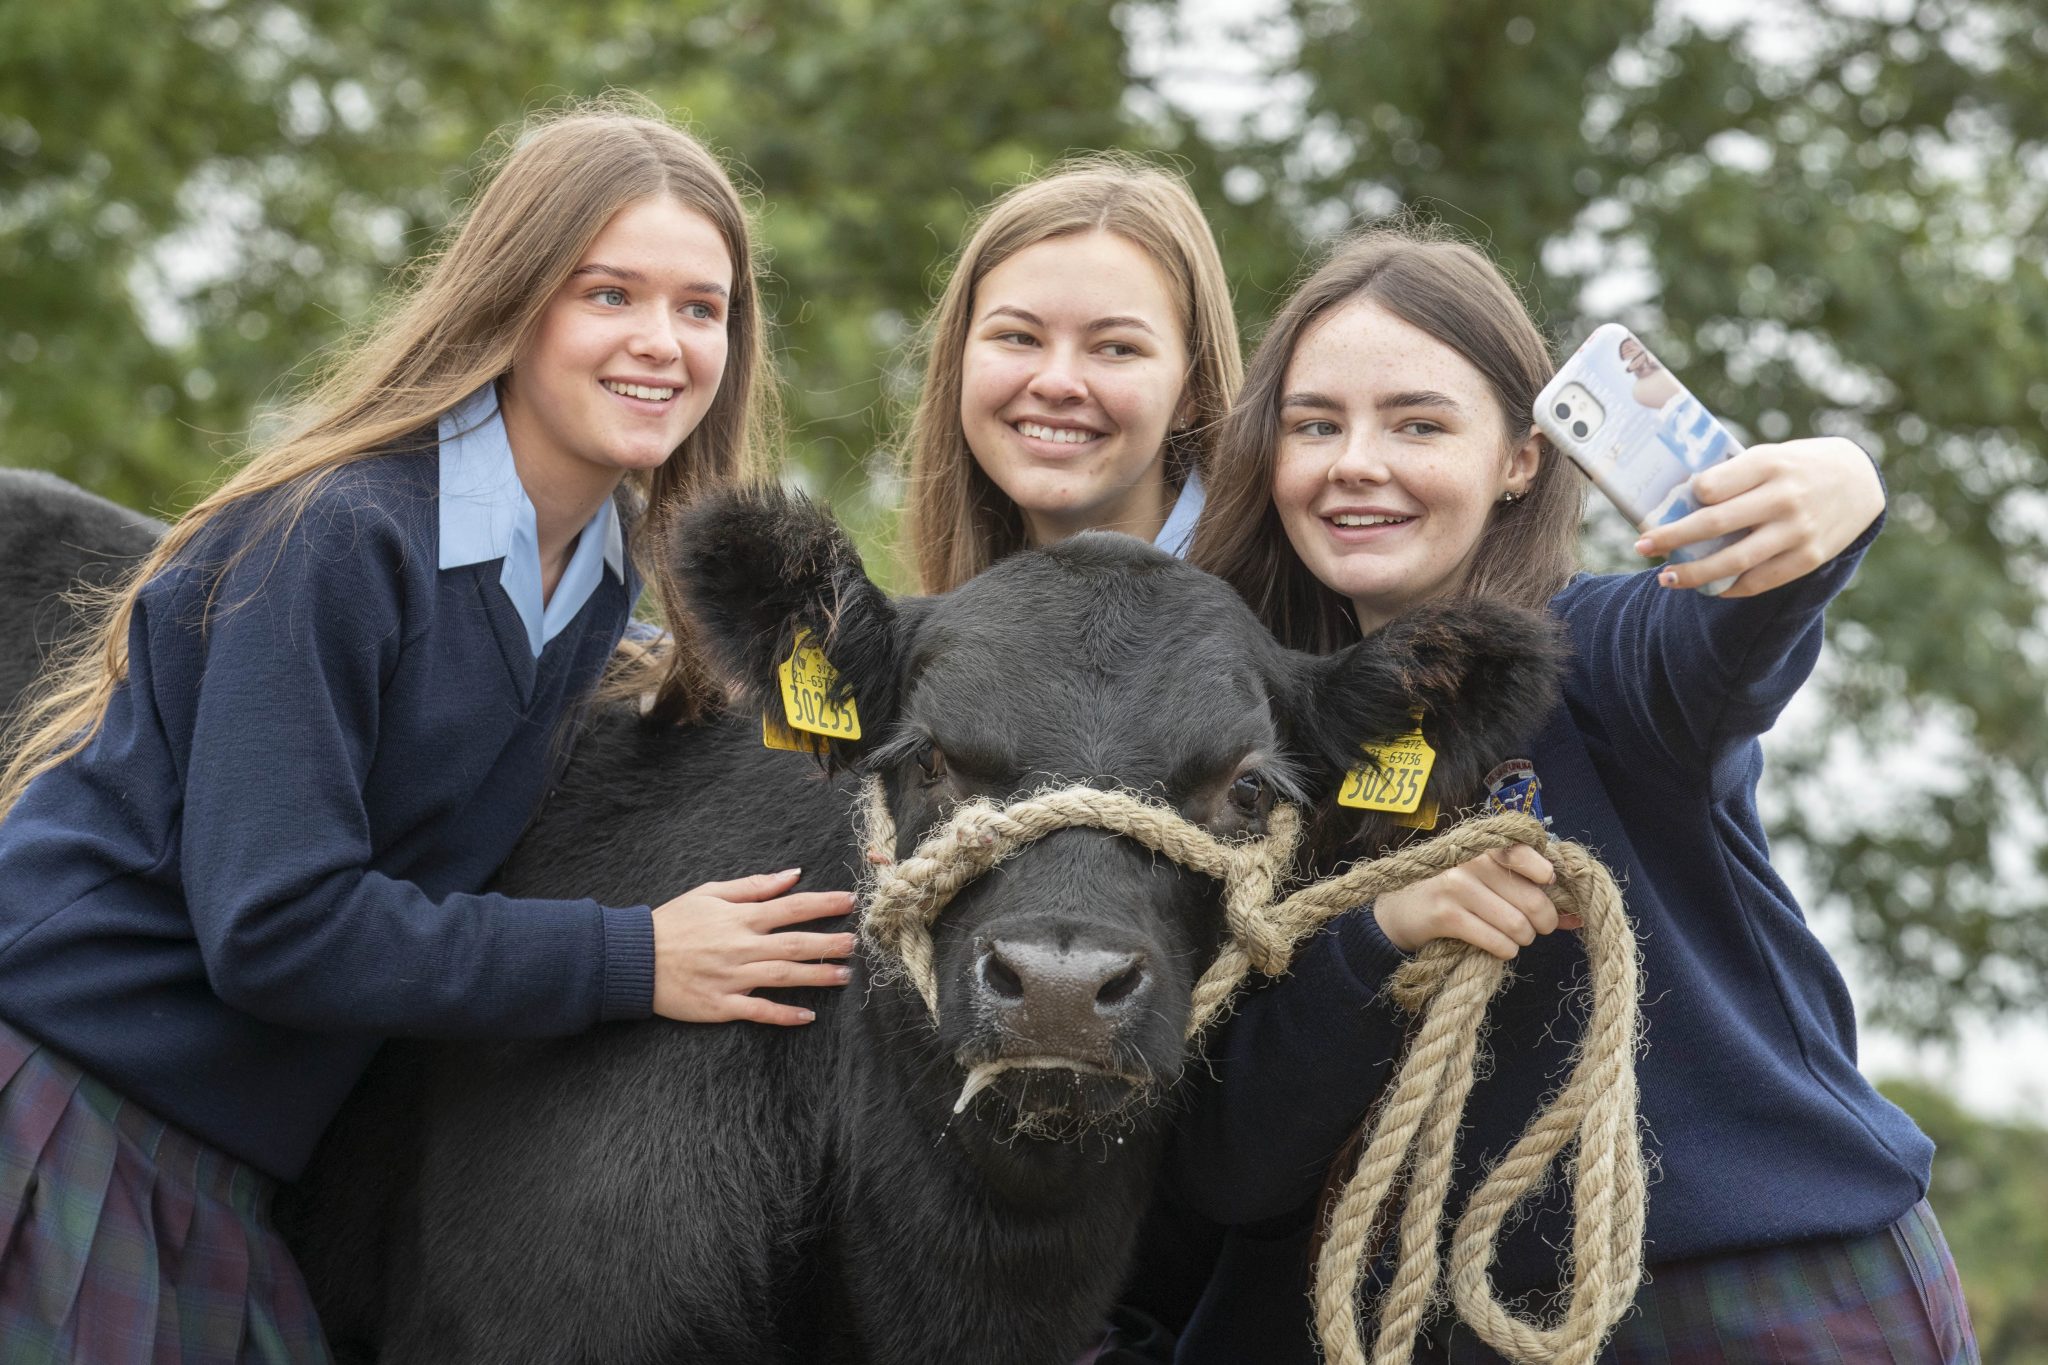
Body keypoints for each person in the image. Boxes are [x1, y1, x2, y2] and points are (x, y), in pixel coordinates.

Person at [0, 106, 857, 1362]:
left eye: (699, 308)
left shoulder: (601, 573)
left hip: (223, 1164)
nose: (661, 343)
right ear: (514, 300)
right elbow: (276, 928)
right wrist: (638, 958)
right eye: (607, 293)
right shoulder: (342, 536)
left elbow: (787, 710)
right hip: (65, 1106)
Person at [1171, 225, 1975, 1362]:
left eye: (1417, 423)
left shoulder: (1602, 652)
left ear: (1520, 457)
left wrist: (1838, 488)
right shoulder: (1249, 766)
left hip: (1764, 1290)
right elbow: (1227, 1160)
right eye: (1314, 425)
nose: (1355, 461)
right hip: (1475, 1329)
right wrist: (1379, 934)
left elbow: (1725, 629)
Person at [900, 154, 1242, 592]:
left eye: (1117, 348)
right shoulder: (926, 626)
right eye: (1019, 337)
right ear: (958, 359)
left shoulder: (1289, 622)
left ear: (1191, 391)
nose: (1057, 382)